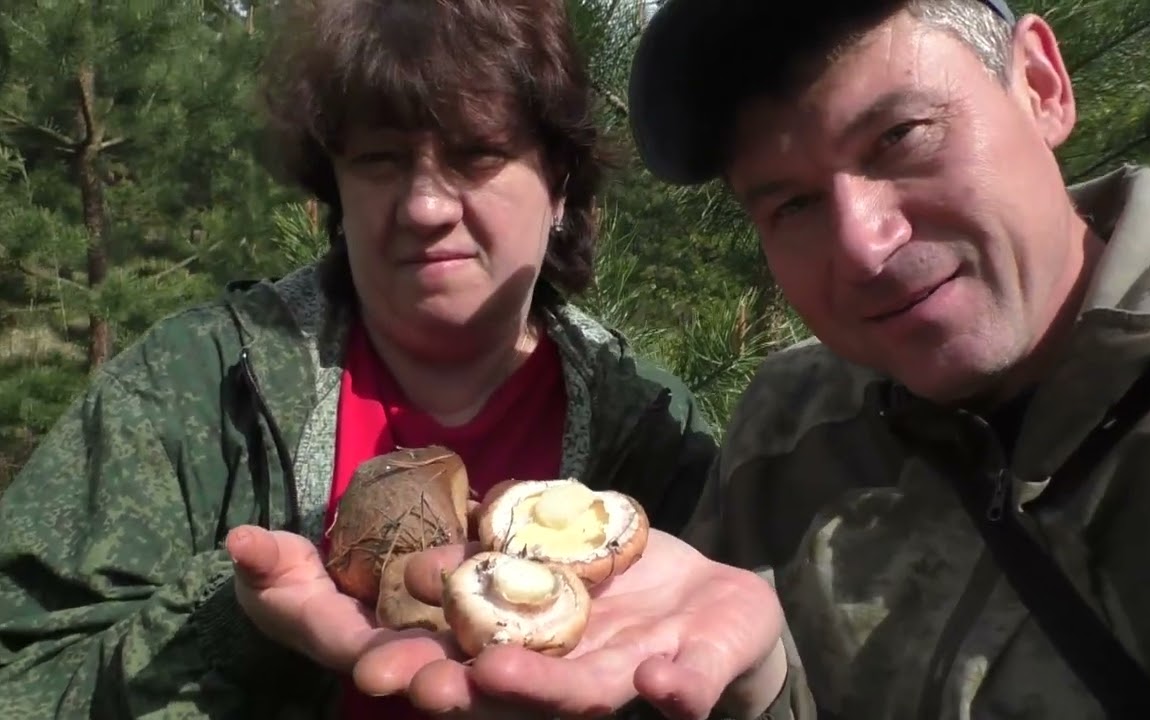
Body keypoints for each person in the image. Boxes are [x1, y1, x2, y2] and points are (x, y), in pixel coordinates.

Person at [349, 0, 1150, 718]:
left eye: (901, 137)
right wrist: (750, 690)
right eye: (789, 204)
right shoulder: (782, 436)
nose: (864, 246)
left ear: (1041, 85)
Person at [0, 0, 718, 717]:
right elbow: (23, 675)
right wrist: (238, 624)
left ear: (559, 181)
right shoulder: (192, 393)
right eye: (380, 159)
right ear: (334, 185)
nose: (425, 205)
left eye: (478, 153)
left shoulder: (654, 431)